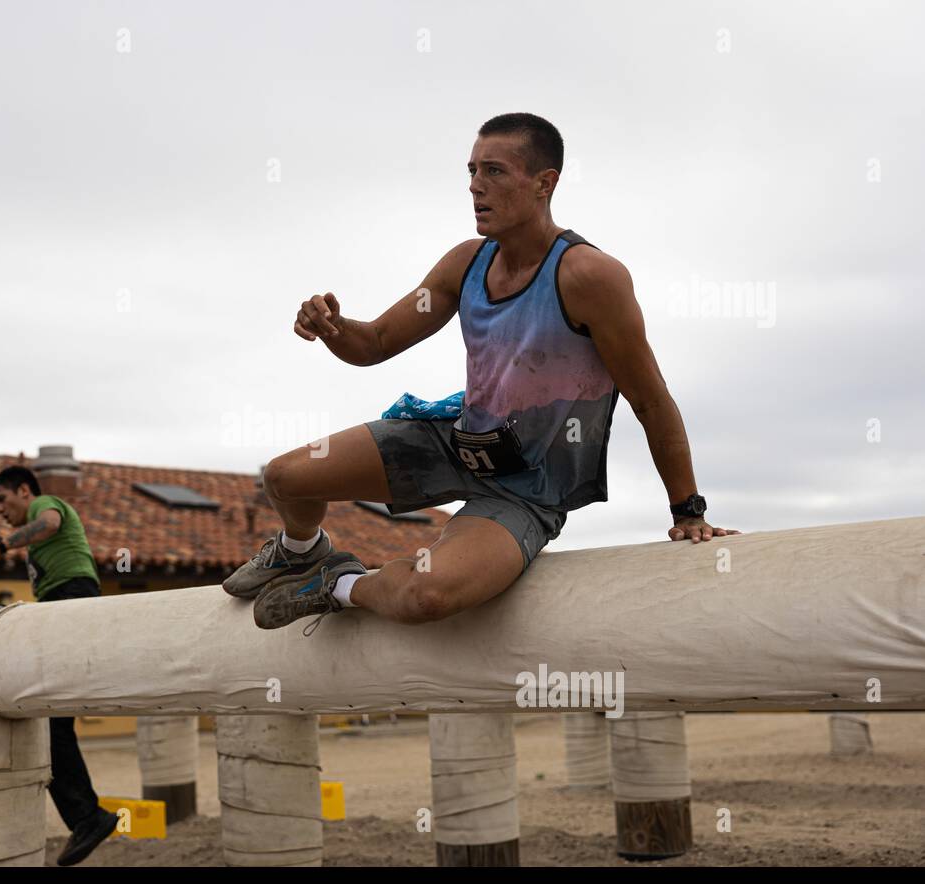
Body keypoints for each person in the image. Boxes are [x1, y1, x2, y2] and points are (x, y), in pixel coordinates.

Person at [224, 112, 739, 636]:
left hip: (528, 487)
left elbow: (651, 400)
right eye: (471, 171)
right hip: (457, 438)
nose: (475, 187)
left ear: (545, 183)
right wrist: (332, 327)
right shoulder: (465, 262)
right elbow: (375, 343)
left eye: (493, 171)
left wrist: (688, 510)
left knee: (427, 596)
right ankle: (301, 552)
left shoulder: (590, 276)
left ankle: (337, 584)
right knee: (285, 477)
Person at [0, 465, 119, 866]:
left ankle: (88, 817)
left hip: (70, 601)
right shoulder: (36, 525)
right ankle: (87, 817)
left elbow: (50, 523)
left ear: (24, 491)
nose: (0, 510)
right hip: (61, 604)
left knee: (51, 723)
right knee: (50, 723)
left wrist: (1, 546)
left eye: (3, 499)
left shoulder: (44, 504)